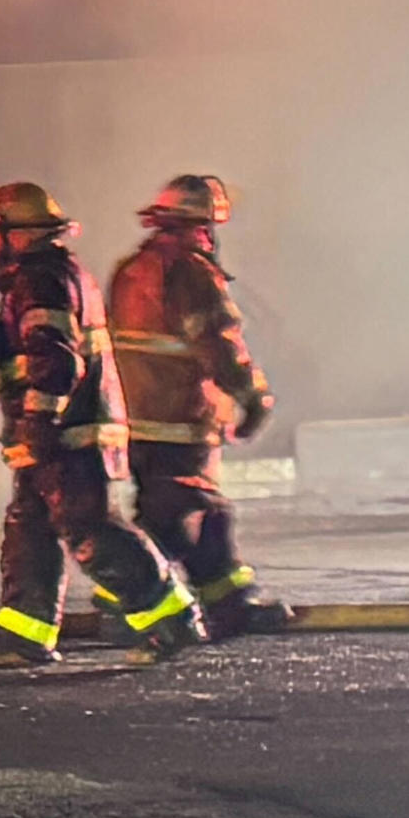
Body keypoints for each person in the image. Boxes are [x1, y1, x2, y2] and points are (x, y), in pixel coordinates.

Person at [0, 181, 198, 667]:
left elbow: (55, 359)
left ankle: (170, 619)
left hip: (69, 434)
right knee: (29, 529)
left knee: (92, 533)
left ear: (15, 234)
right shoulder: (47, 275)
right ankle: (24, 634)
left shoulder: (42, 280)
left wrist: (38, 421)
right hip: (56, 432)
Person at [107, 173, 298, 640]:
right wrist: (253, 398)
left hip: (133, 419)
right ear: (200, 226)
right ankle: (129, 602)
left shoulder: (130, 271)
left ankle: (227, 603)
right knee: (186, 511)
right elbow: (220, 344)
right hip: (183, 418)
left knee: (183, 511)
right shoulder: (193, 273)